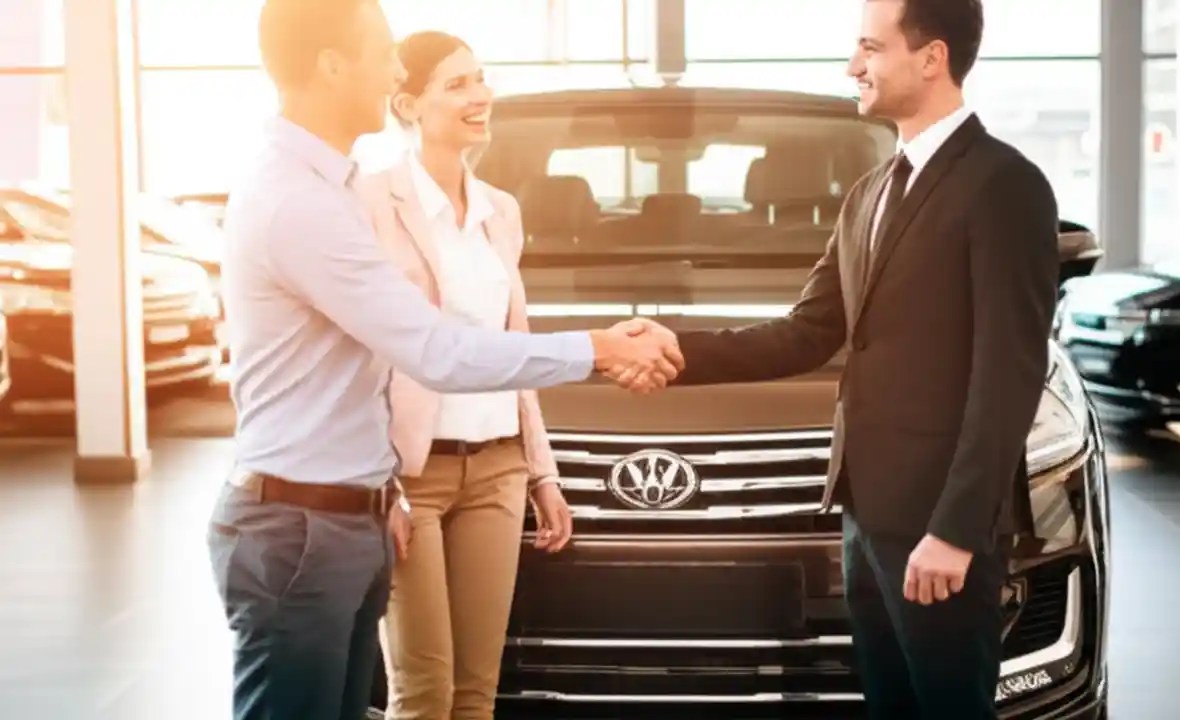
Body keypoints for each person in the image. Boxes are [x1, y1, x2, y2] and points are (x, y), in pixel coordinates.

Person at [206, 2, 680, 719]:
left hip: (338, 516)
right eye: (383, 52)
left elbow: (364, 371)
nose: (395, 69)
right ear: (333, 64)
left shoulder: (324, 189)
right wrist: (599, 348)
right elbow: (431, 349)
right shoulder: (300, 203)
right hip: (302, 530)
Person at [619, 0, 1060, 717]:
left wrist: (954, 529)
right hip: (866, 514)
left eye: (869, 49)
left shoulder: (1004, 186)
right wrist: (678, 351)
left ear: (931, 58)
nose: (853, 66)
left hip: (938, 527)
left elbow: (1007, 377)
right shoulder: (869, 193)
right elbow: (807, 331)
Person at [352, 31, 570, 719]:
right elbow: (361, 356)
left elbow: (514, 345)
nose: (480, 97)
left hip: (498, 471)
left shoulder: (501, 212)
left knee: (477, 694)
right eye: (457, 85)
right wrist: (378, 484)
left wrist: (542, 473)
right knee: (422, 694)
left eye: (480, 78)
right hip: (413, 475)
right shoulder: (372, 202)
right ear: (408, 103)